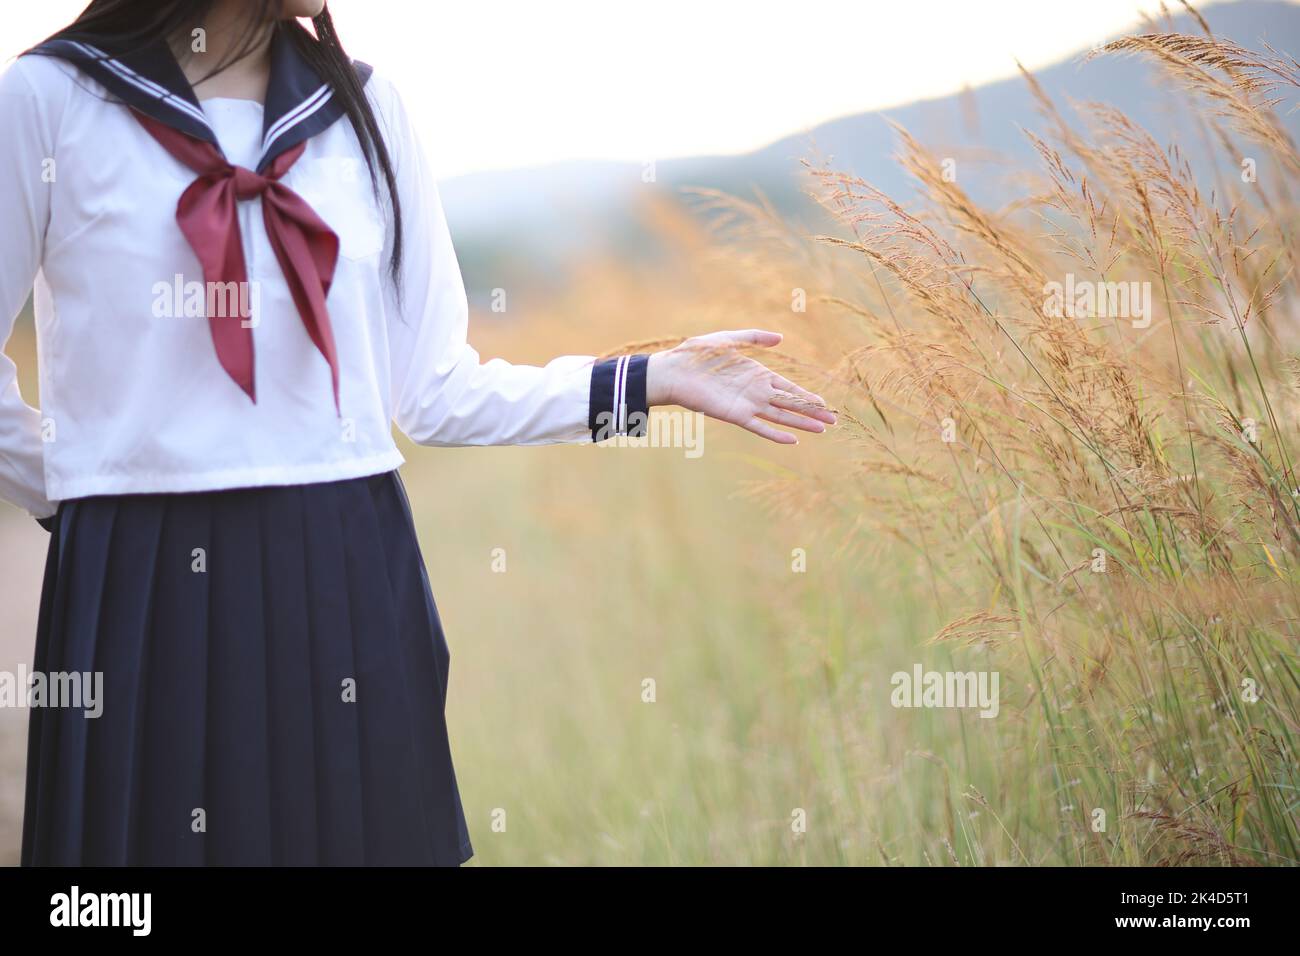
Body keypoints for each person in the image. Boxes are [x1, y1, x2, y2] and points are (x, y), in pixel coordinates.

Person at [0, 0, 836, 865]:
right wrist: (81, 503)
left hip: (344, 572)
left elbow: (436, 388)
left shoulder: (364, 110)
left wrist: (654, 376)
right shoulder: (49, 99)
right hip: (147, 590)